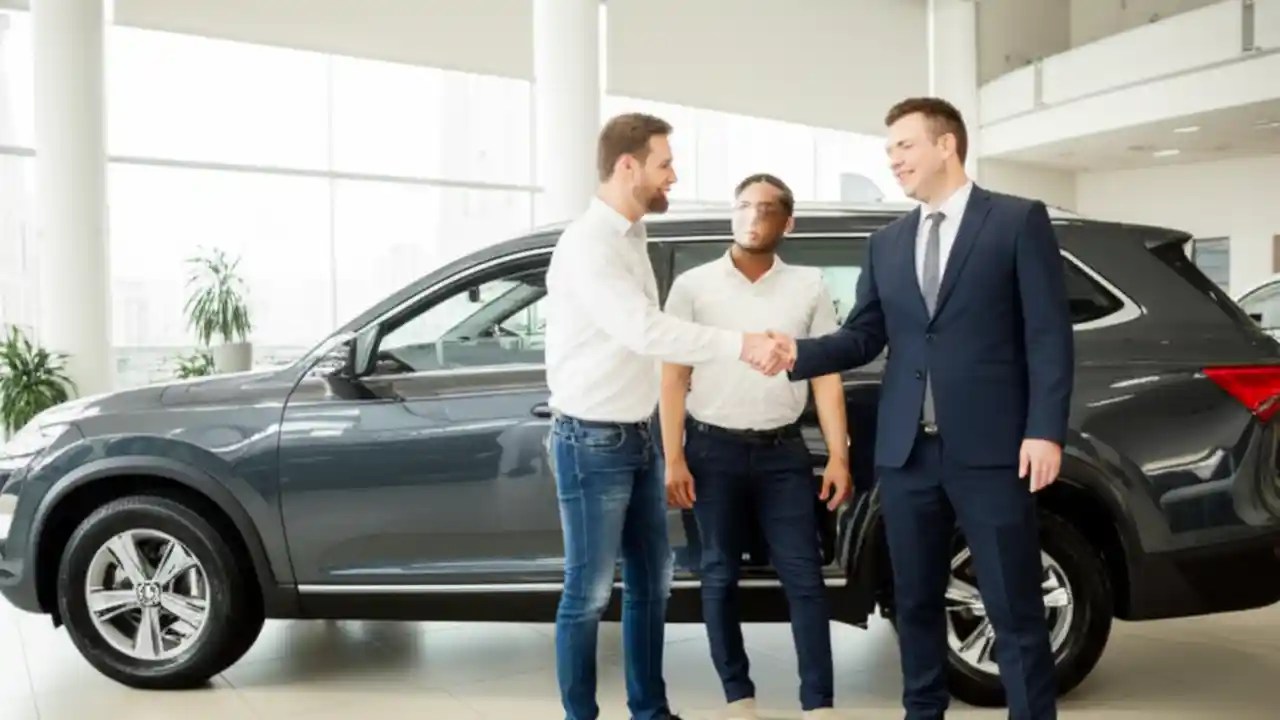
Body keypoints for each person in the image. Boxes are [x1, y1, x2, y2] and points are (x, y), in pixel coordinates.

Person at [766, 97, 1073, 720]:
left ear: (946, 145)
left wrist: (1045, 430)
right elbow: (865, 334)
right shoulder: (887, 242)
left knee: (1013, 604)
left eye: (903, 146)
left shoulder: (1015, 221)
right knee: (915, 603)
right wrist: (795, 352)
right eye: (890, 150)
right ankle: (922, 712)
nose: (893, 159)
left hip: (992, 449)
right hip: (907, 454)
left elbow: (1048, 334)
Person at [543, 112, 788, 720]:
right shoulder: (588, 245)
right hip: (591, 442)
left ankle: (650, 711)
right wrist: (742, 342)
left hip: (638, 437)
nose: (673, 176)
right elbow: (644, 330)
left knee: (653, 584)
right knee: (589, 592)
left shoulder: (631, 235)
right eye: (664, 164)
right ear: (628, 167)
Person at [658, 173, 852, 720]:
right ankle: (737, 697)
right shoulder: (693, 286)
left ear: (786, 222)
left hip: (783, 455)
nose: (752, 218)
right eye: (744, 206)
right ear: (732, 214)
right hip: (710, 453)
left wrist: (839, 454)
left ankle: (819, 703)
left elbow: (826, 378)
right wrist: (673, 456)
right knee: (718, 573)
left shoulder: (809, 285)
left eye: (766, 209)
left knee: (804, 576)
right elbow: (672, 378)